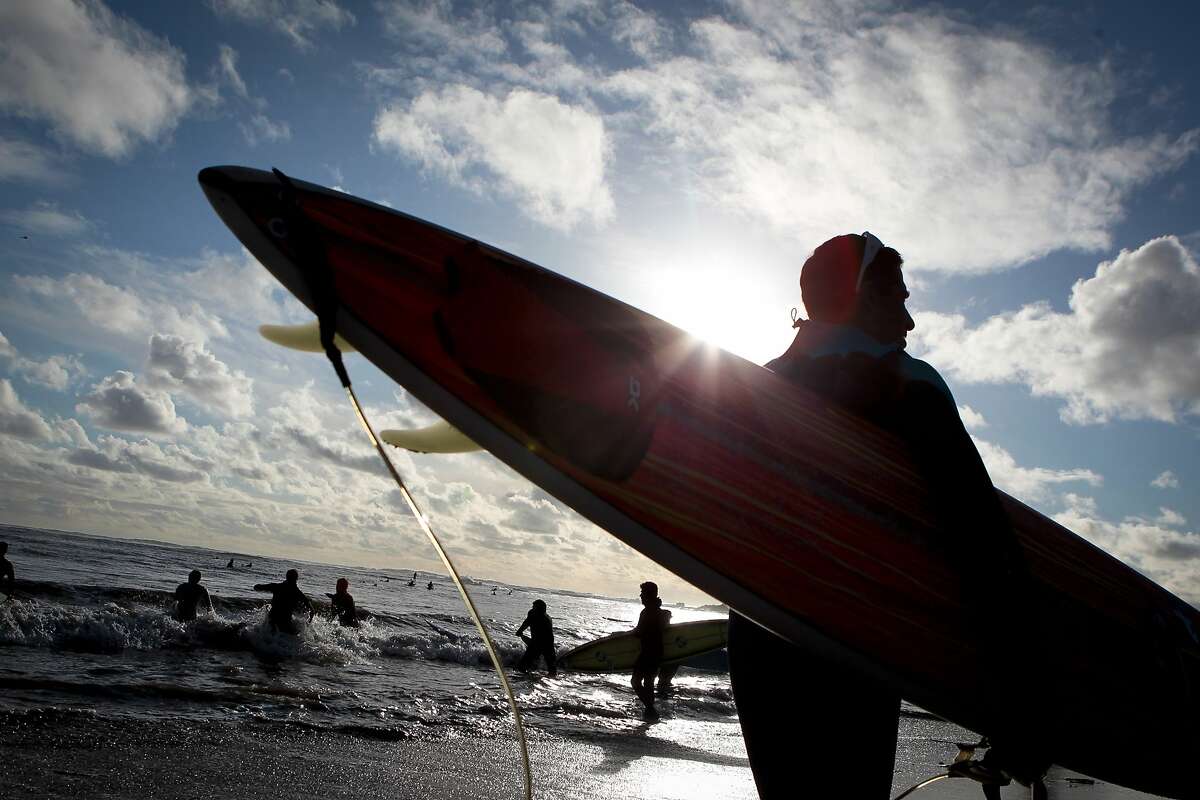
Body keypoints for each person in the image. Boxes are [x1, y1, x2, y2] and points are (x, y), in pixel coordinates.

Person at [728, 232, 1040, 798]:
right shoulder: (907, 386)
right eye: (899, 298)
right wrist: (1018, 695)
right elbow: (981, 541)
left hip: (759, 640)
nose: (909, 321)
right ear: (862, 299)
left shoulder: (759, 384)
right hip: (855, 641)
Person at [631, 581, 671, 717]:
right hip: (657, 652)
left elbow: (638, 632)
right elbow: (664, 627)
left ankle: (650, 709)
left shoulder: (647, 612)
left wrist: (625, 634)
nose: (640, 596)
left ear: (649, 595)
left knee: (636, 682)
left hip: (648, 652)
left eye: (642, 593)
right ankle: (650, 711)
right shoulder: (660, 612)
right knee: (649, 683)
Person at [254, 569, 314, 634]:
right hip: (285, 623)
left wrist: (259, 586)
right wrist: (308, 623)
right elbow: (312, 610)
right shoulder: (298, 593)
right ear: (296, 579)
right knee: (296, 633)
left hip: (272, 619)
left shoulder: (277, 587)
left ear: (286, 577)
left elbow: (256, 587)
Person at [515, 599, 557, 676]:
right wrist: (520, 632)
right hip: (547, 643)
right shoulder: (545, 617)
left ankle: (527, 677)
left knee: (523, 666)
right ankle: (533, 676)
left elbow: (527, 622)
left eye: (534, 607)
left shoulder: (540, 616)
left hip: (540, 643)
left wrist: (520, 631)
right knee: (552, 668)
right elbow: (527, 622)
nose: (532, 608)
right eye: (533, 607)